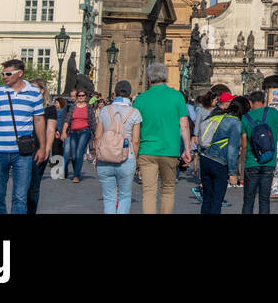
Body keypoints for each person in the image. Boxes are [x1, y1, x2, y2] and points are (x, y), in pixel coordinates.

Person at [0, 60, 47, 214]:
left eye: (8, 73)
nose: (5, 76)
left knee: (20, 197)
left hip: (22, 152)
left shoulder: (34, 92)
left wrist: (43, 147)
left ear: (20, 73)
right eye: (3, 73)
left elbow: (39, 120)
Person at [134, 62, 192, 214]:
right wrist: (187, 149)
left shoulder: (140, 99)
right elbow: (184, 125)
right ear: (165, 77)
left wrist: (135, 154)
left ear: (149, 78)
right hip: (170, 150)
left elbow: (135, 130)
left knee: (148, 192)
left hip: (147, 151)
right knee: (168, 190)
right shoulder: (177, 96)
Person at [93, 80, 141, 214]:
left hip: (105, 158)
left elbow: (97, 136)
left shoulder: (104, 110)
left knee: (109, 198)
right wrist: (136, 159)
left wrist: (97, 155)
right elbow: (136, 140)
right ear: (130, 94)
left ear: (115, 93)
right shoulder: (134, 112)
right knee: (124, 196)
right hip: (127, 158)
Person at [198, 93, 241, 214]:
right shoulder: (234, 121)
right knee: (217, 200)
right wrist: (232, 173)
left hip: (205, 158)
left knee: (207, 198)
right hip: (219, 161)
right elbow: (232, 149)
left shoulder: (214, 115)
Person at [240, 89, 278, 214]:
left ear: (250, 103)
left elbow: (244, 144)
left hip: (252, 162)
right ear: (264, 101)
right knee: (264, 200)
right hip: (269, 161)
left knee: (248, 200)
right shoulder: (273, 112)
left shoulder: (245, 118)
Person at [26, 78, 58, 213]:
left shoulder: (50, 108)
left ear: (42, 90)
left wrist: (46, 148)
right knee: (22, 183)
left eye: (35, 89)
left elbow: (50, 130)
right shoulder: (26, 106)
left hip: (40, 148)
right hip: (25, 148)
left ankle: (30, 210)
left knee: (34, 184)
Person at [57, 88, 94, 182]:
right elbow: (67, 120)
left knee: (79, 152)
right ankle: (76, 171)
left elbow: (93, 122)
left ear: (85, 97)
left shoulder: (89, 107)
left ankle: (76, 175)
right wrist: (64, 132)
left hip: (85, 131)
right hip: (73, 131)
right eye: (79, 96)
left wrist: (96, 136)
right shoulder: (73, 107)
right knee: (73, 156)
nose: (81, 97)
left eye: (83, 96)